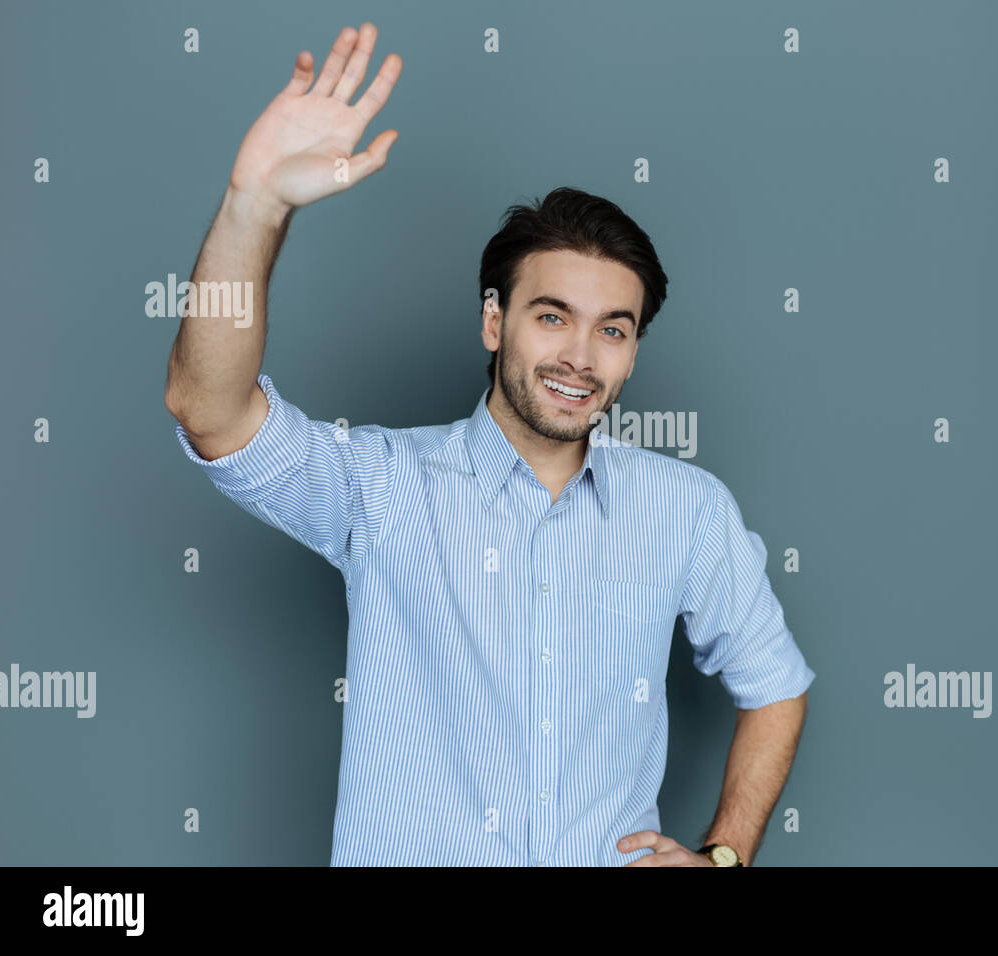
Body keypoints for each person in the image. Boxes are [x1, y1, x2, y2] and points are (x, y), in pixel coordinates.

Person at [164, 22, 814, 867]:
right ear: (493, 321)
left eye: (611, 330)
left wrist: (724, 858)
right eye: (552, 318)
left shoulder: (686, 511)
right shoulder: (384, 486)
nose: (581, 356)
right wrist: (255, 206)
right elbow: (207, 406)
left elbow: (778, 686)